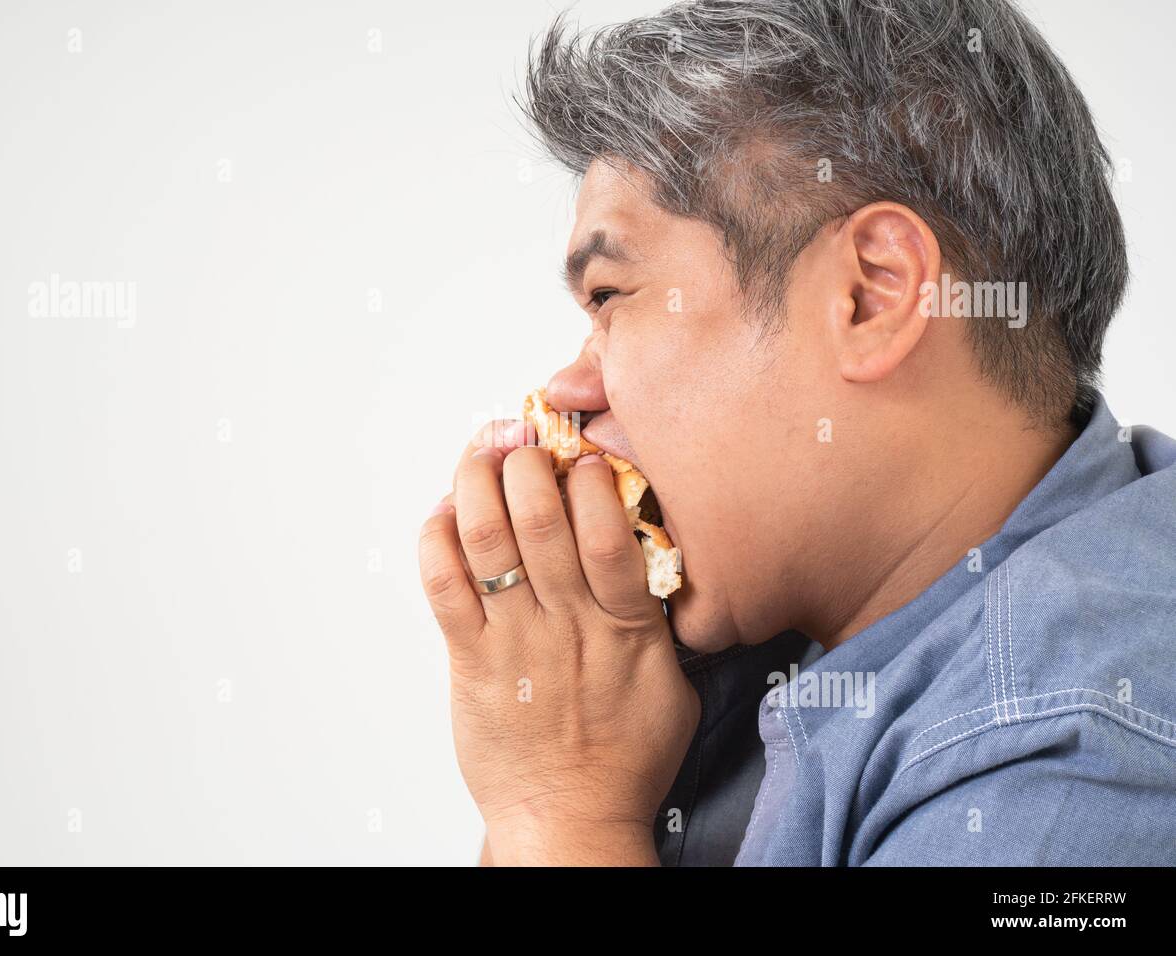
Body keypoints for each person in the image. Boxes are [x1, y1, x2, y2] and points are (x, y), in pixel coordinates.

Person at [417, 0, 1176, 865]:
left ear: (872, 295)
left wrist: (558, 810)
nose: (570, 388)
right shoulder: (781, 634)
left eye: (612, 298)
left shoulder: (1073, 760)